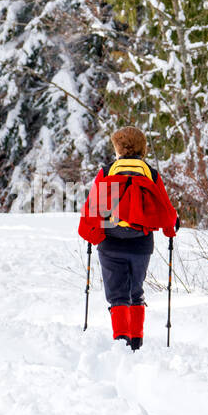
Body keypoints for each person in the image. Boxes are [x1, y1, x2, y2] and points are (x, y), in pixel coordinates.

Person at [77, 126, 180, 350]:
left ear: (118, 148)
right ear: (142, 148)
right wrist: (171, 229)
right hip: (141, 243)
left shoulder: (107, 172)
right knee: (136, 290)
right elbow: (166, 211)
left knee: (117, 295)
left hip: (110, 242)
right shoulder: (150, 174)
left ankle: (121, 342)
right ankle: (137, 341)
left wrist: (92, 234)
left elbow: (93, 210)